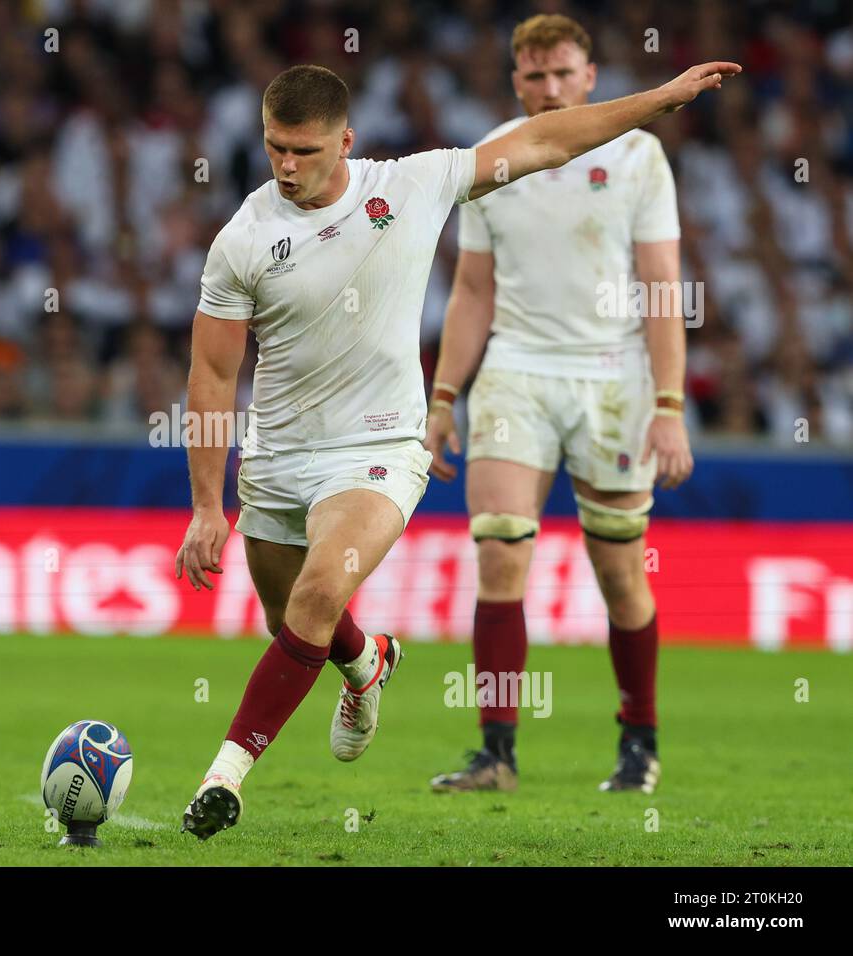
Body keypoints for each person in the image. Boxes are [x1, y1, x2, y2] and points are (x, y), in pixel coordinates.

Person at [175, 55, 739, 839]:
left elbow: (545, 140)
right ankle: (366, 662)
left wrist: (658, 100)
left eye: (305, 150)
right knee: (291, 619)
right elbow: (211, 375)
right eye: (276, 148)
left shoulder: (410, 187)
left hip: (378, 446)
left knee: (313, 596)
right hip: (278, 453)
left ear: (347, 140)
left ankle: (224, 777)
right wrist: (208, 504)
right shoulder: (244, 237)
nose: (288, 166)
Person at [426, 15, 694, 796]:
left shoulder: (638, 154)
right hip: (517, 369)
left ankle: (639, 742)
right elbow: (473, 289)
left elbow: (661, 289)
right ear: (516, 81)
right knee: (500, 549)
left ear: (590, 77)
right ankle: (496, 753)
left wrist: (669, 403)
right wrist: (444, 397)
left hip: (614, 377)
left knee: (618, 570)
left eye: (562, 75)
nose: (548, 90)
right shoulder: (493, 160)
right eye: (534, 77)